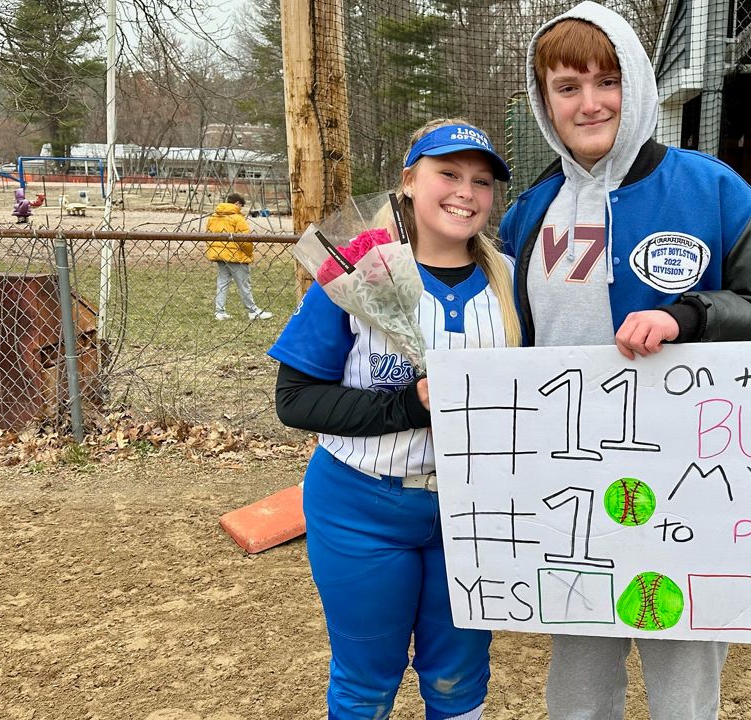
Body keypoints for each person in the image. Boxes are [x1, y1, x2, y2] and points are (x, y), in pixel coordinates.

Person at [499, 4, 751, 718]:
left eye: (607, 80)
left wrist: (690, 315)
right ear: (542, 99)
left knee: (682, 676)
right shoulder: (531, 211)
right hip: (571, 486)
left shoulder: (709, 188)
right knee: (579, 676)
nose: (589, 103)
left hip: (689, 483)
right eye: (566, 86)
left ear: (638, 83)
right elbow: (503, 340)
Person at [269, 119, 519, 720]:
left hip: (474, 511)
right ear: (409, 181)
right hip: (362, 505)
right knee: (366, 683)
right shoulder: (357, 274)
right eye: (448, 173)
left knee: (459, 677)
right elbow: (296, 399)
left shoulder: (512, 281)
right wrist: (411, 405)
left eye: (482, 181)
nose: (466, 191)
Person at [206, 192, 273, 321]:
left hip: (220, 254)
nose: (241, 209)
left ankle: (219, 311)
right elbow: (245, 240)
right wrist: (248, 254)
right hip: (236, 255)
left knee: (222, 283)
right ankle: (252, 311)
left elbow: (208, 234)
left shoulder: (213, 217)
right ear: (237, 203)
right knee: (244, 284)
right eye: (241, 206)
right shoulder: (238, 218)